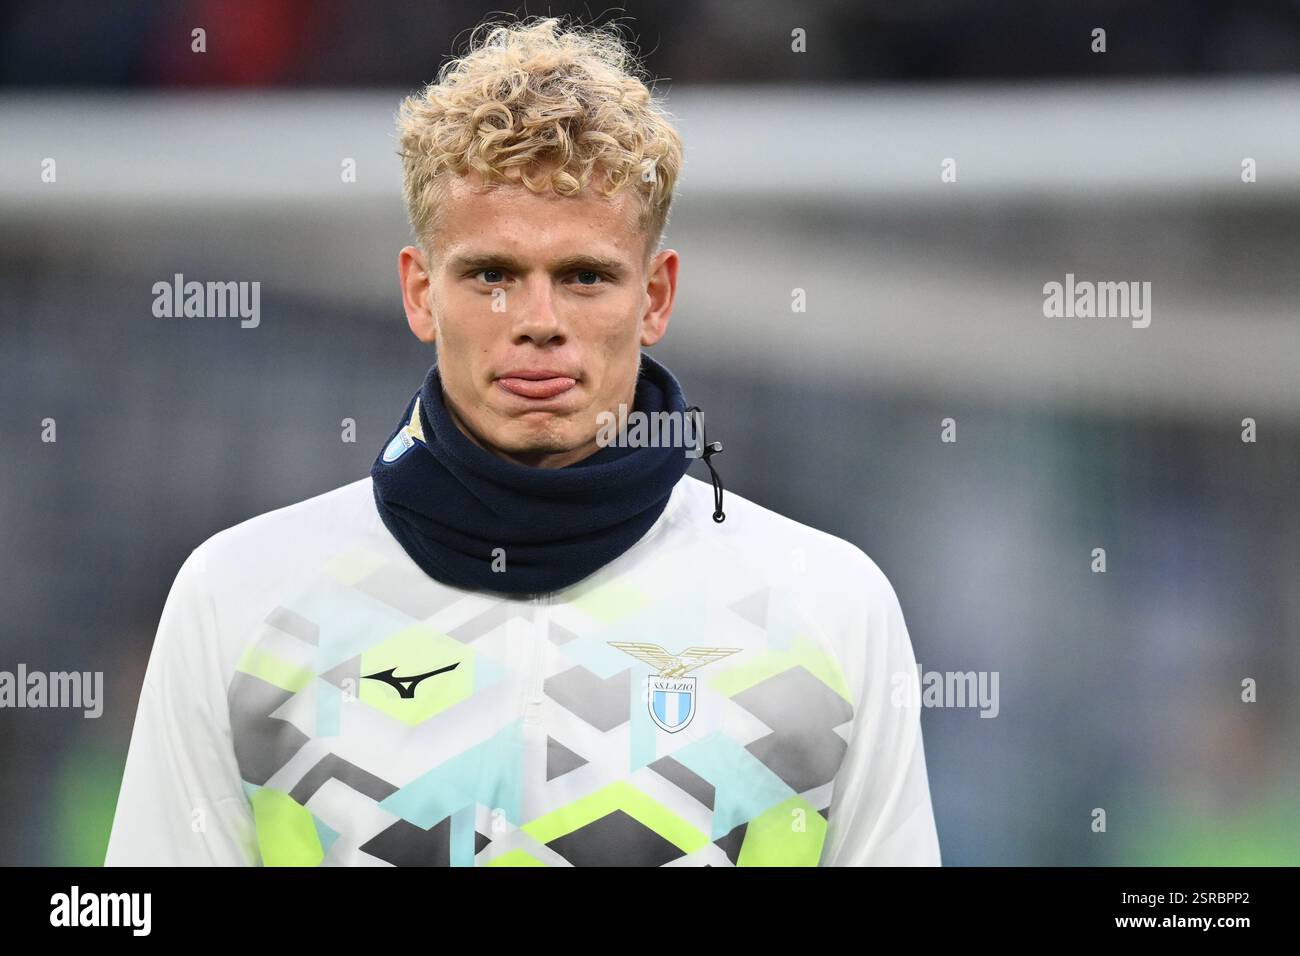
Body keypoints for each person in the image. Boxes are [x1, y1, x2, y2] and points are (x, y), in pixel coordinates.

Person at [104, 15, 941, 867]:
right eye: (492, 275)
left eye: (584, 276)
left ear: (655, 296)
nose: (538, 323)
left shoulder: (831, 607)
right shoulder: (238, 597)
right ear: (420, 291)